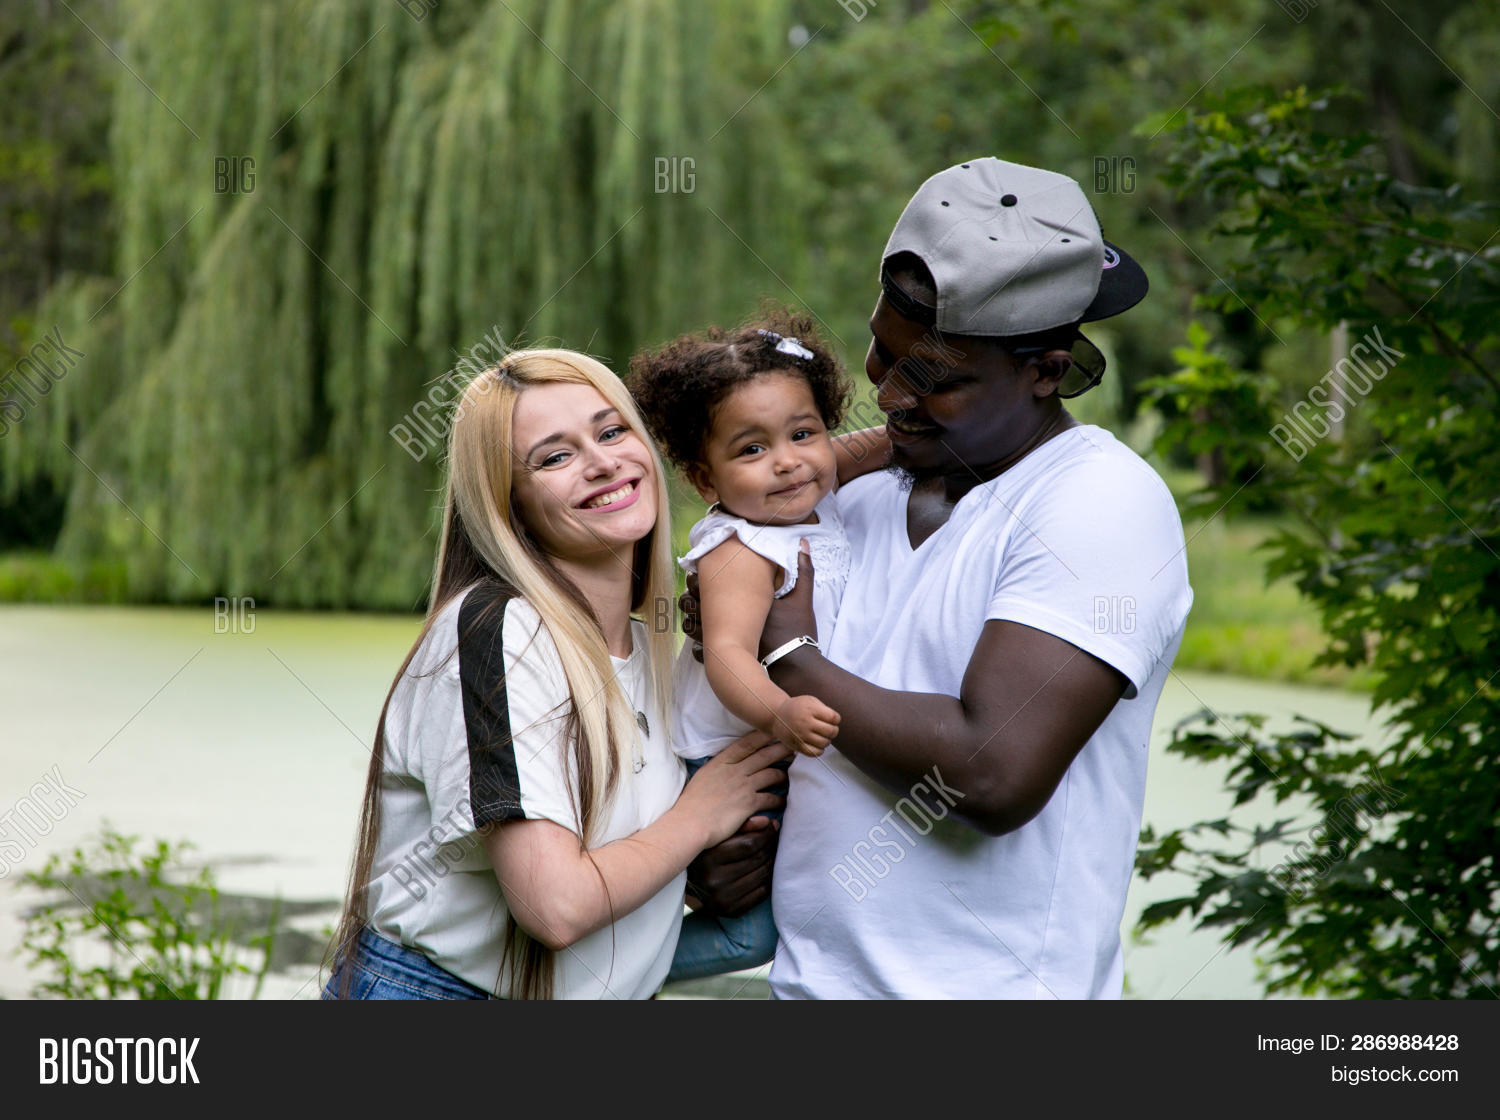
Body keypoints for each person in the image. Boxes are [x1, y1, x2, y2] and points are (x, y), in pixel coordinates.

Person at [690, 157, 1194, 998]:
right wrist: (734, 848)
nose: (889, 395)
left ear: (1047, 371)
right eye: (882, 355)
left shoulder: (1101, 502)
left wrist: (791, 658)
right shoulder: (856, 495)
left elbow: (992, 771)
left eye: (936, 378)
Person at [322, 348, 789, 1000]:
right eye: (554, 457)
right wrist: (699, 819)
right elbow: (555, 906)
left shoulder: (656, 647)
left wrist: (701, 872)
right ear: (508, 505)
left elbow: (804, 463)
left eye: (612, 431)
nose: (602, 462)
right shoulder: (500, 634)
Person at [626, 309, 889, 982]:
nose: (786, 461)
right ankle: (588, 975)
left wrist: (920, 427)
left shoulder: (805, 493)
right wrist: (779, 712)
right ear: (705, 482)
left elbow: (875, 445)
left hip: (772, 750)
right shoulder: (742, 547)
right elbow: (728, 653)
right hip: (727, 756)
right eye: (751, 450)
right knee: (749, 938)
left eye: (803, 433)